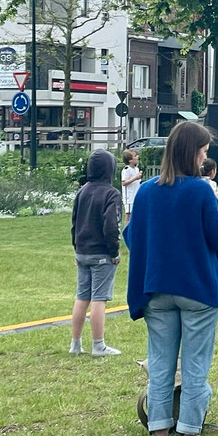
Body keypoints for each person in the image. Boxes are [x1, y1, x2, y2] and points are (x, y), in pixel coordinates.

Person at [124, 119, 218, 436]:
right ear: (193, 153)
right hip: (197, 288)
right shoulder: (201, 190)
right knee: (195, 365)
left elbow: (131, 236)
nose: (204, 159)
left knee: (160, 365)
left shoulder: (146, 191)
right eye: (203, 152)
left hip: (156, 287)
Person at [69, 149, 123, 357]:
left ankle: (75, 344)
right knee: (99, 298)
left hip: (82, 251)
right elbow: (111, 225)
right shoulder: (111, 193)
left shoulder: (82, 191)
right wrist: (114, 251)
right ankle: (98, 345)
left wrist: (76, 248)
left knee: (82, 297)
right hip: (101, 253)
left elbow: (74, 222)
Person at [121, 149, 142, 227]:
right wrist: (135, 178)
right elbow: (124, 182)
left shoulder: (136, 169)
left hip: (136, 195)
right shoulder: (126, 170)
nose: (137, 157)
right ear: (130, 160)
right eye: (135, 156)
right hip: (129, 197)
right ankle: (126, 231)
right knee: (128, 215)